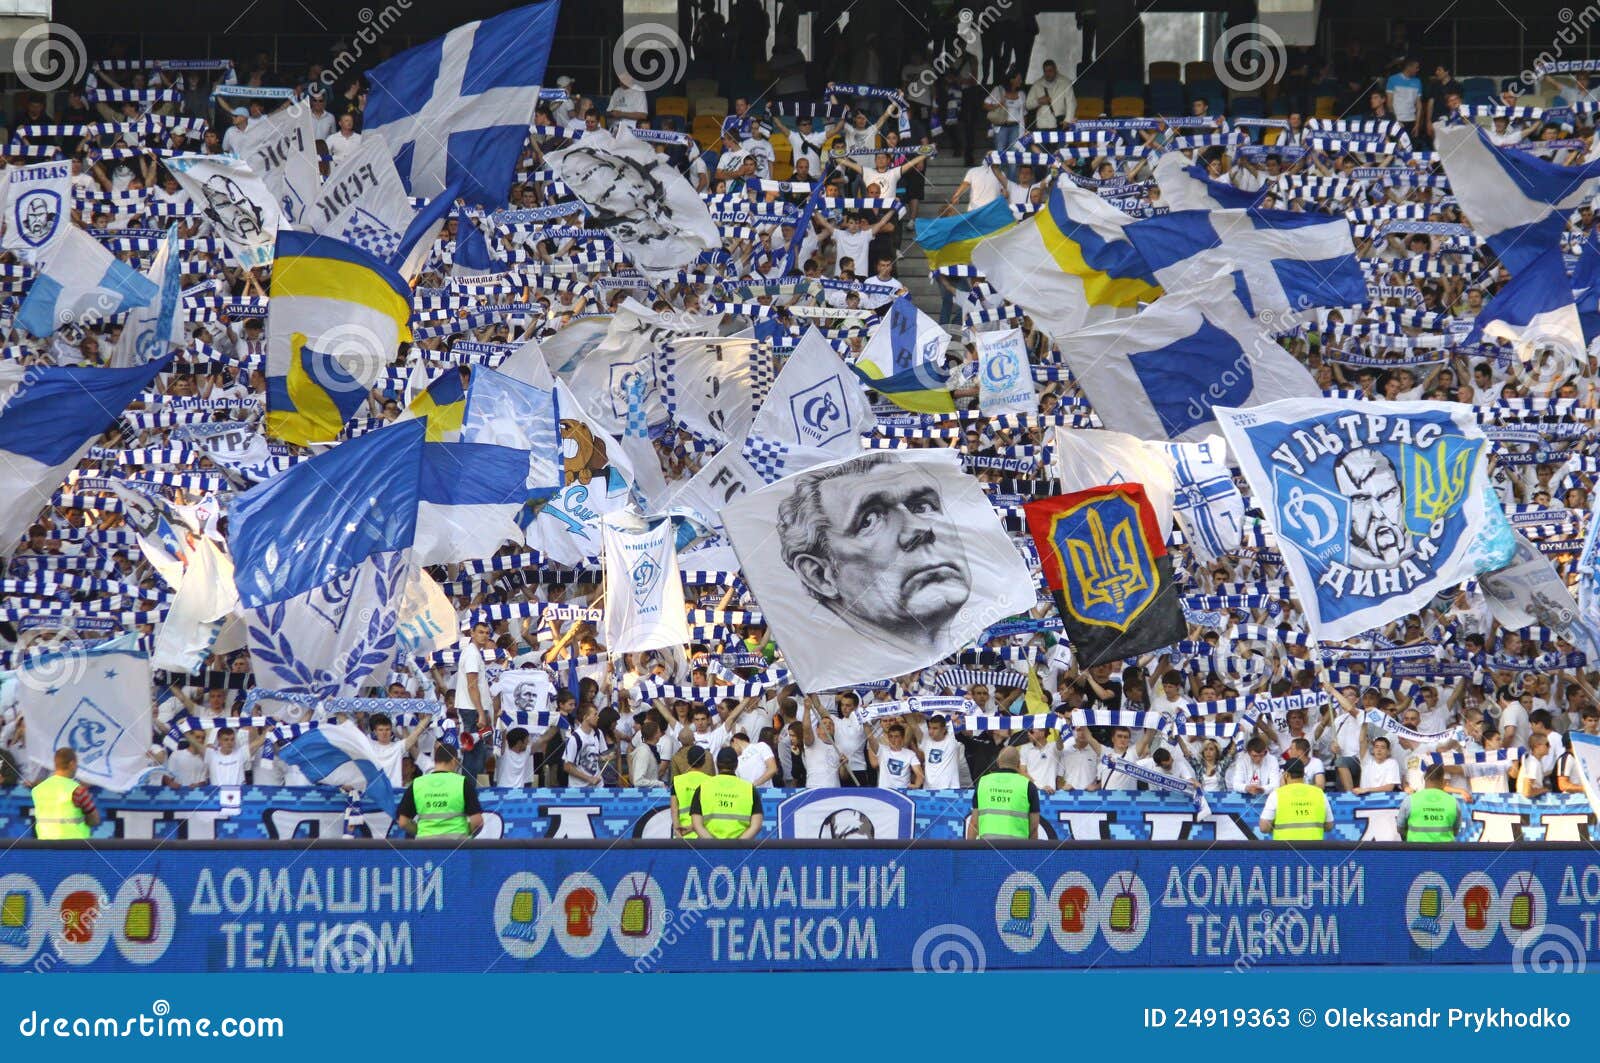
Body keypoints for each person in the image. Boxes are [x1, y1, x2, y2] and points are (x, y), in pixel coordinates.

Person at [395, 743, 482, 838]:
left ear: (435, 761)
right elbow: (477, 821)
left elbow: (403, 822)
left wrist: (420, 831)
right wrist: (465, 833)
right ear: (454, 761)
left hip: (426, 847)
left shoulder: (417, 784)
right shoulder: (462, 783)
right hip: (456, 845)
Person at [689, 747, 764, 839]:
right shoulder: (749, 789)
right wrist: (737, 846)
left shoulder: (703, 788)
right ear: (736, 765)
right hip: (740, 850)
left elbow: (697, 824)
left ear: (716, 763)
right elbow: (756, 825)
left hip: (709, 850)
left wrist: (713, 845)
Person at [966, 746, 1039, 840]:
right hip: (1017, 849)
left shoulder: (982, 782)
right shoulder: (1028, 785)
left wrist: (969, 852)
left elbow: (974, 824)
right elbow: (1033, 828)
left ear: (998, 761)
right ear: (1018, 764)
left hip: (987, 848)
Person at [31, 748, 100, 840]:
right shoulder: (78, 790)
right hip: (74, 847)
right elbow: (94, 820)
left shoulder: (38, 789)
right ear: (71, 764)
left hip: (46, 846)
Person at [1257, 759, 1332, 841]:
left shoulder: (1276, 794)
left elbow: (1264, 828)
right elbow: (1329, 825)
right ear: (1303, 774)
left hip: (1285, 851)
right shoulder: (1319, 793)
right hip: (1314, 851)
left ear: (1286, 775)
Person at [1397, 763, 1464, 841]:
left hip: (1416, 850)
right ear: (1443, 780)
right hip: (1445, 851)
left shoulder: (1410, 800)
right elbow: (1456, 831)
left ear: (1425, 778)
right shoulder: (1453, 802)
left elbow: (1400, 828)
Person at [669, 745, 713, 838]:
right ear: (704, 761)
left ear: (688, 760)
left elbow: (674, 809)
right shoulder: (710, 782)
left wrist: (677, 830)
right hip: (704, 834)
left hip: (682, 833)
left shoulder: (677, 781)